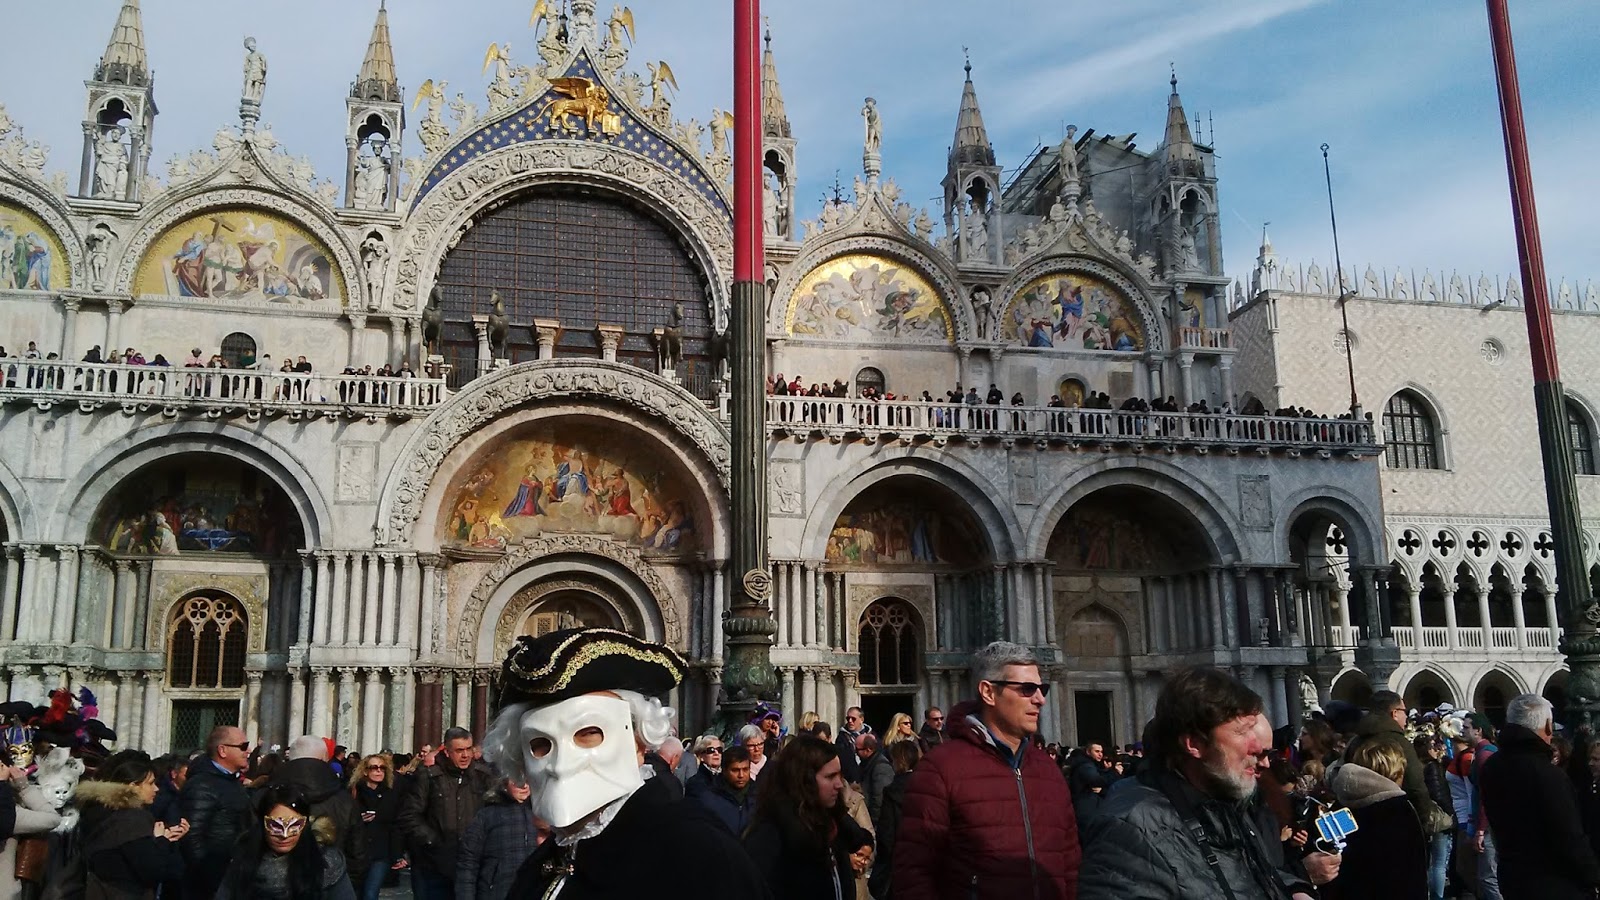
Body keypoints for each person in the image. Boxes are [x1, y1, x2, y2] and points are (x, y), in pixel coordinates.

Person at [484, 627, 766, 896]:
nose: (559, 765)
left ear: (639, 741)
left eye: (589, 734)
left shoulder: (695, 850)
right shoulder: (543, 864)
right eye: (541, 745)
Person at [1078, 667, 1340, 900]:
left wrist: (1295, 888)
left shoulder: (1223, 800)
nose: (1258, 747)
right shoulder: (1129, 830)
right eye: (1241, 731)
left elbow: (1250, 876)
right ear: (1195, 744)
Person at [894, 641, 1080, 899]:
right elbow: (912, 873)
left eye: (1042, 688)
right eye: (1027, 689)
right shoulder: (941, 769)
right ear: (989, 693)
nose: (1040, 700)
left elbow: (1069, 865)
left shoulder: (1048, 771)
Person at [1480, 693, 1600, 899]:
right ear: (1547, 727)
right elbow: (1569, 837)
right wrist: (1593, 876)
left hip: (1513, 878)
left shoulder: (1492, 766)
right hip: (1556, 884)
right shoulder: (1548, 775)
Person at [743, 736, 874, 900]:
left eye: (839, 775)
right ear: (804, 780)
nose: (839, 784)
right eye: (830, 776)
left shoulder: (831, 824)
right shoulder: (772, 832)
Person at [396, 726, 495, 900]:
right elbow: (409, 815)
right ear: (447, 752)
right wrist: (432, 840)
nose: (465, 755)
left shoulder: (483, 777)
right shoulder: (429, 776)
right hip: (435, 862)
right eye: (459, 751)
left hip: (473, 862)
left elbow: (494, 812)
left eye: (468, 749)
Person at [71, 750, 187, 897]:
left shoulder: (99, 809)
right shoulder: (132, 819)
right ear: (133, 786)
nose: (156, 789)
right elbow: (152, 871)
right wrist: (161, 840)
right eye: (151, 783)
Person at [1322, 741, 1427, 900]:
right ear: (1397, 773)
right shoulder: (1398, 810)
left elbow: (1328, 852)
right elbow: (1410, 872)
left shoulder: (1340, 805)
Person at [218, 782, 356, 899]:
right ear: (262, 824)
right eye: (275, 825)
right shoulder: (243, 860)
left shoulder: (326, 863)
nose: (284, 835)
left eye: (294, 826)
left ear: (305, 825)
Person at [269, 735, 367, 891]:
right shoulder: (345, 801)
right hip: (330, 885)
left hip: (273, 888)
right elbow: (356, 853)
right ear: (325, 758)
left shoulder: (263, 797)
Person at [1341, 691, 1448, 833]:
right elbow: (1415, 784)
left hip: (1357, 818)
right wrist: (1424, 820)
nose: (1406, 717)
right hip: (1396, 817)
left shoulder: (1356, 740)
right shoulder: (1398, 741)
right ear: (1395, 713)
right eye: (1405, 711)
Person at [179, 725, 254, 900]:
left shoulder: (229, 780)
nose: (248, 751)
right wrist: (213, 880)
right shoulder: (202, 785)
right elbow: (191, 836)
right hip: (212, 883)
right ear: (223, 750)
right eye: (243, 746)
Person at [455, 778, 542, 900]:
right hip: (498, 893)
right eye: (517, 779)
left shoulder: (543, 814)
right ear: (505, 782)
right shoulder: (487, 815)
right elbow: (468, 862)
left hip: (535, 892)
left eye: (528, 780)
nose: (524, 786)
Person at [869, 740, 922, 900]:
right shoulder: (928, 785)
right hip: (923, 859)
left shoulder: (892, 791)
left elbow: (886, 834)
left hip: (898, 862)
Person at [349, 754, 402, 900]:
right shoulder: (354, 791)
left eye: (382, 768)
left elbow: (396, 823)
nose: (379, 771)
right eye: (374, 768)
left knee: (370, 894)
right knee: (355, 893)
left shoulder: (391, 793)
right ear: (365, 771)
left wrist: (398, 853)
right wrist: (360, 818)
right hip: (357, 850)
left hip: (381, 851)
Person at [1463, 712, 1501, 900]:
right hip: (1486, 821)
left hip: (1488, 824)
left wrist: (1480, 830)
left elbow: (1486, 794)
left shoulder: (1485, 754)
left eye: (1466, 728)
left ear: (1478, 731)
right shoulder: (1482, 752)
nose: (1463, 731)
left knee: (1488, 877)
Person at [1414, 734, 1455, 900]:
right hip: (1438, 817)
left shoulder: (1417, 765)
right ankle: (1438, 896)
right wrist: (1450, 810)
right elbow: (1437, 792)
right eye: (1432, 747)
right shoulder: (1431, 766)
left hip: (1425, 816)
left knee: (1432, 861)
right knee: (1439, 862)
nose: (1436, 750)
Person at [695, 745, 759, 836]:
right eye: (735, 770)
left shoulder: (760, 796)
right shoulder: (708, 800)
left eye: (745, 769)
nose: (741, 775)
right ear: (724, 770)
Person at [856, 733, 894, 825]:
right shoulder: (866, 764)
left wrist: (872, 820)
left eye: (858, 749)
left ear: (868, 750)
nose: (855, 752)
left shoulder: (881, 767)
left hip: (877, 821)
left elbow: (879, 798)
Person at [683, 735, 723, 800]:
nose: (716, 753)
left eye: (719, 750)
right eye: (711, 750)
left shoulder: (727, 778)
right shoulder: (695, 783)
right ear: (701, 756)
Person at [837, 708, 869, 784]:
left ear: (861, 719)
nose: (850, 721)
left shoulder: (871, 736)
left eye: (853, 719)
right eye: (848, 718)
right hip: (851, 781)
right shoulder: (842, 738)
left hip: (868, 777)